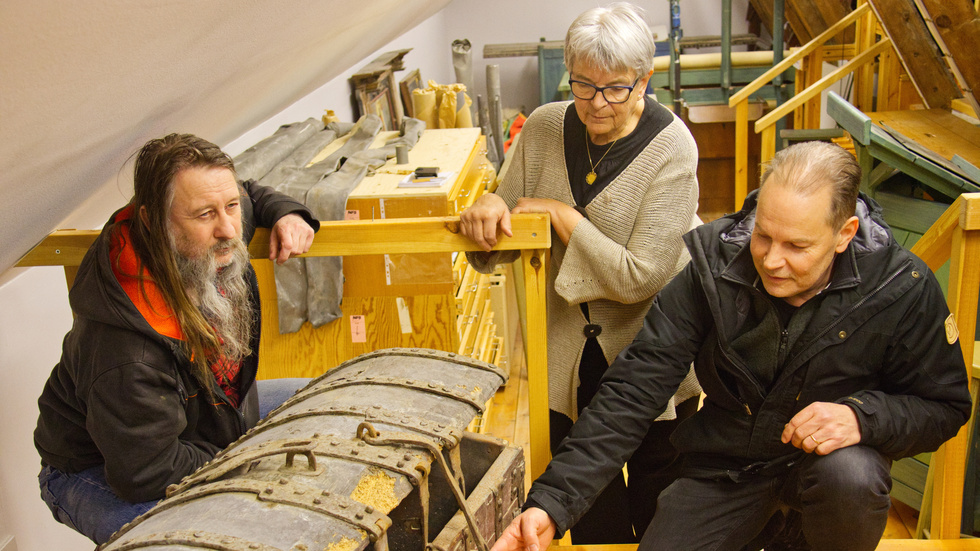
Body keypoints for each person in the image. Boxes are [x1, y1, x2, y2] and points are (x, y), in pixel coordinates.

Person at [491, 141, 973, 551]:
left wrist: (861, 416)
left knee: (850, 476)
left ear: (844, 233)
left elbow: (945, 405)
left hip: (829, 476)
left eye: (797, 247)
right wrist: (550, 504)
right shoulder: (710, 266)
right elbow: (633, 391)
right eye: (763, 235)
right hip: (728, 464)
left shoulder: (902, 287)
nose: (771, 260)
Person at [460, 3, 701, 543]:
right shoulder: (545, 127)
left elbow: (640, 276)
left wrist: (563, 215)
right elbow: (507, 222)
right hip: (564, 358)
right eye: (583, 84)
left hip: (651, 359)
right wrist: (487, 213)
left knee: (662, 510)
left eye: (615, 88)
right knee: (590, 514)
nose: (596, 103)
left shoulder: (672, 147)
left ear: (646, 79)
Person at [33, 133, 320, 544]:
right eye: (204, 214)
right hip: (104, 467)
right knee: (235, 536)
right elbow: (147, 471)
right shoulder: (127, 351)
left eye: (231, 208)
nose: (228, 230)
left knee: (320, 399)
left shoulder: (207, 228)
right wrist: (254, 460)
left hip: (203, 419)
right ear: (152, 220)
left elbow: (248, 193)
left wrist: (287, 213)